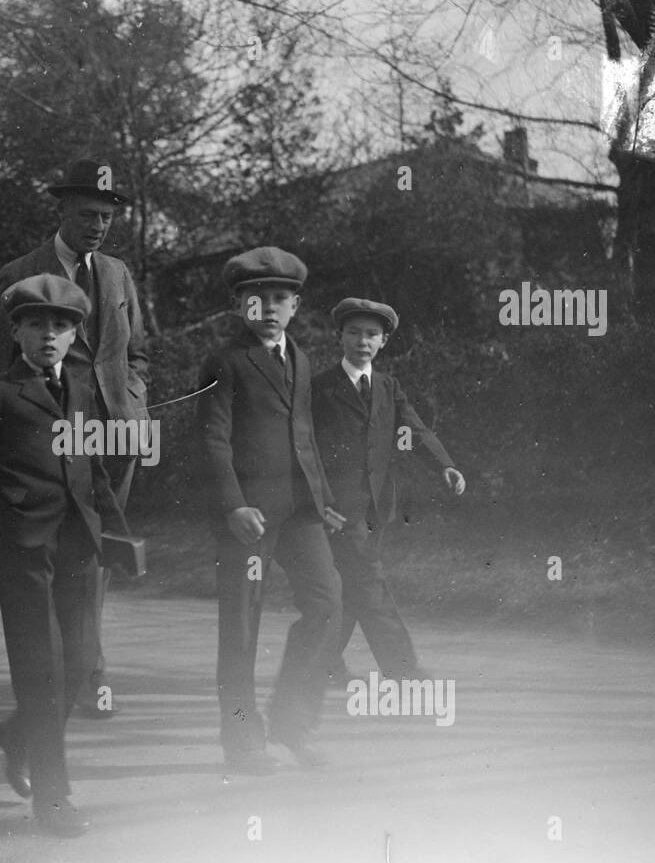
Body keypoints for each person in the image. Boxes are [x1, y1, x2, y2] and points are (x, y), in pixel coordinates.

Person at [0, 274, 129, 837]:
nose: (48, 336)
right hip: (25, 553)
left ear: (75, 333)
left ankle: (17, 735)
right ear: (16, 331)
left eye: (61, 325)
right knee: (43, 673)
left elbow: (92, 468)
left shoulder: (80, 386)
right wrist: (4, 516)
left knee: (78, 662)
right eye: (36, 325)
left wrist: (117, 535)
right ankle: (54, 801)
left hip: (79, 546)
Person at [0, 158, 149, 720]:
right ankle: (66, 671)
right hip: (51, 435)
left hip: (115, 434)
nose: (98, 225)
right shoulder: (22, 272)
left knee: (95, 553)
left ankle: (89, 668)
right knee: (53, 554)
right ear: (62, 211)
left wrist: (134, 403)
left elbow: (137, 349)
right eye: (87, 214)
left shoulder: (118, 274)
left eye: (107, 217)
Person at [196, 247, 346, 774]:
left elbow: (304, 436)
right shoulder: (225, 360)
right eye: (256, 299)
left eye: (280, 298)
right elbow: (212, 438)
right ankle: (241, 743)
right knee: (241, 628)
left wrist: (322, 500)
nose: (269, 308)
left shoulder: (301, 359)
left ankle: (292, 725)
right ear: (239, 305)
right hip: (247, 517)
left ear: (296, 305)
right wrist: (233, 505)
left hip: (299, 511)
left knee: (328, 603)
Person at [311, 298, 466, 680]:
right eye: (353, 333)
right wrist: (318, 501)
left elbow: (414, 429)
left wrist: (444, 464)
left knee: (351, 588)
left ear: (383, 342)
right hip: (338, 508)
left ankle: (323, 663)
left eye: (371, 335)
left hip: (377, 508)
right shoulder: (319, 389)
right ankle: (403, 669)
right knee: (369, 582)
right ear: (340, 337)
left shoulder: (387, 386)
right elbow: (305, 449)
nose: (362, 341)